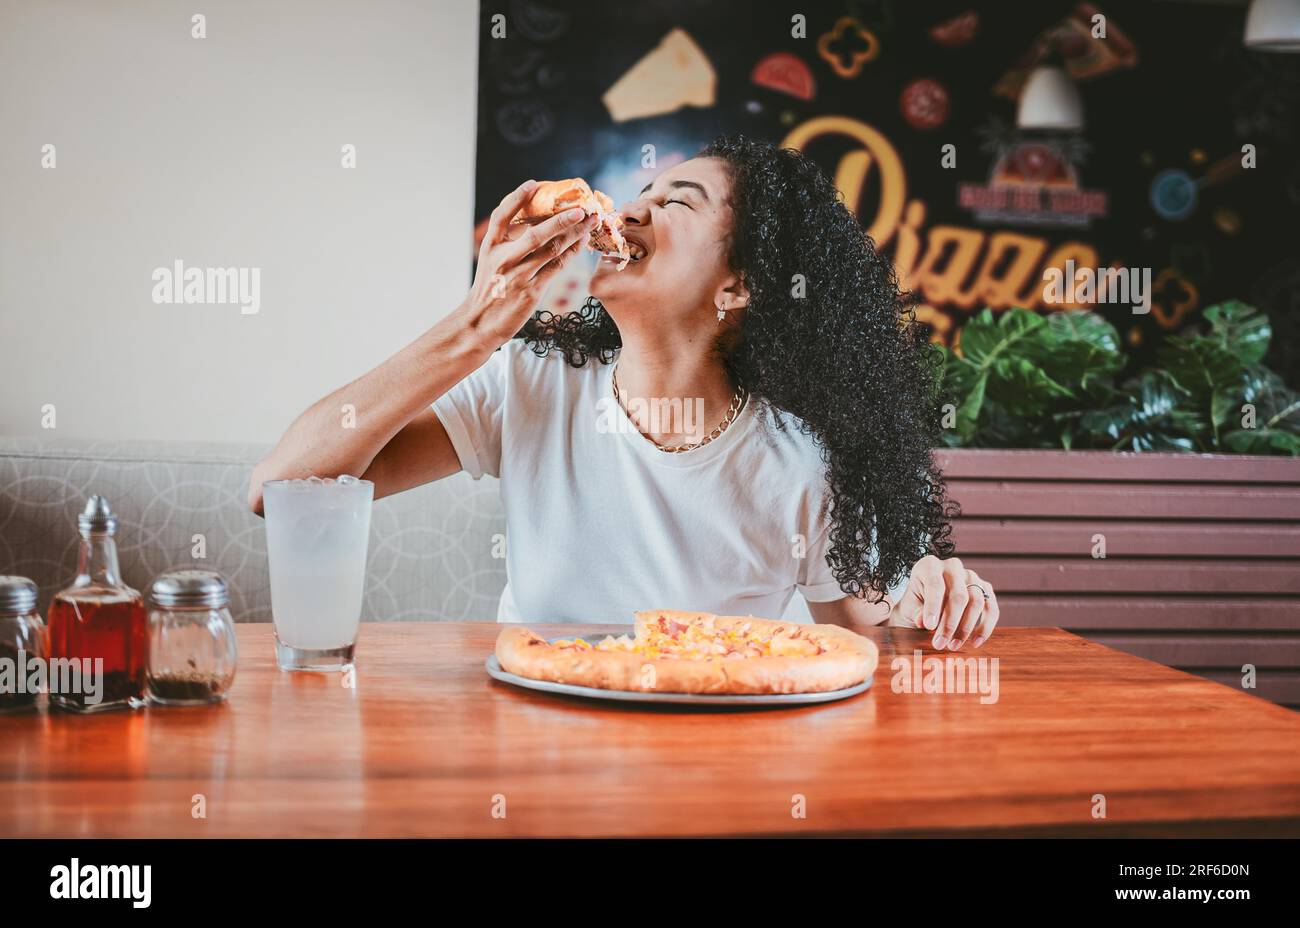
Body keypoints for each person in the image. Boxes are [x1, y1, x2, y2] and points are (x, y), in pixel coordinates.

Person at [250, 136, 999, 651]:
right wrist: (475, 327)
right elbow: (278, 487)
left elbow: (871, 648)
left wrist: (932, 598)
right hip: (530, 750)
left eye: (679, 203)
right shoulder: (528, 385)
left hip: (710, 770)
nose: (632, 208)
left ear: (738, 285)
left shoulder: (797, 465)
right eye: (641, 190)